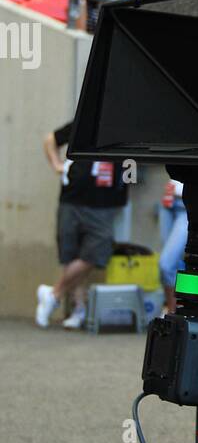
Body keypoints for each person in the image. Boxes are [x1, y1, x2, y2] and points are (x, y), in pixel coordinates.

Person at [36, 123, 129, 329]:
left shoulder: (127, 128)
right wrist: (57, 166)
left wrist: (123, 187)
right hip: (73, 196)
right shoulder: (84, 122)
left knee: (97, 251)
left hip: (104, 203)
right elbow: (50, 139)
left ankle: (53, 294)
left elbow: (132, 164)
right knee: (71, 252)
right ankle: (78, 309)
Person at [159, 178, 187, 314]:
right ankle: (176, 311)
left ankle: (172, 312)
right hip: (169, 202)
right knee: (176, 264)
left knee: (166, 264)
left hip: (187, 204)